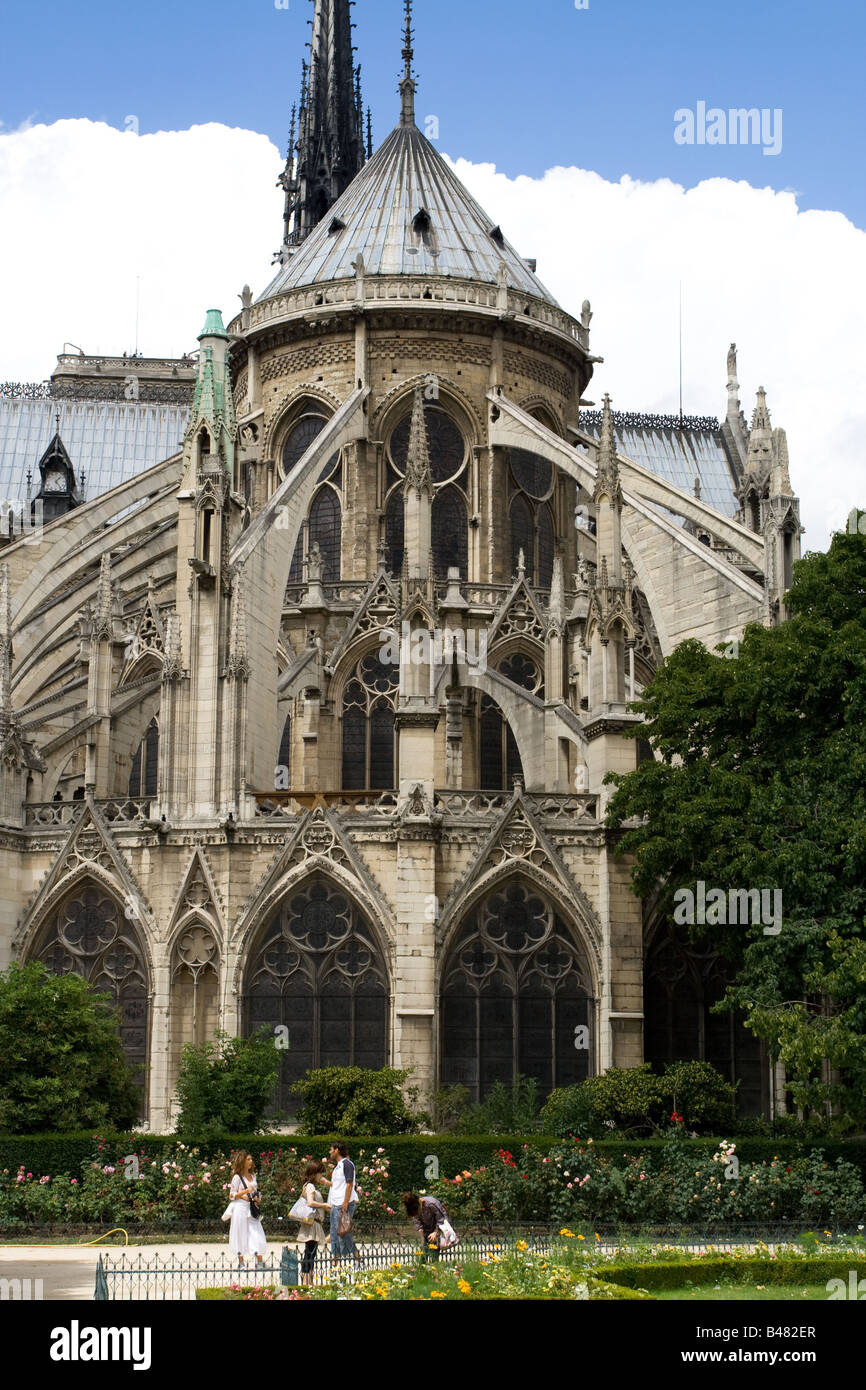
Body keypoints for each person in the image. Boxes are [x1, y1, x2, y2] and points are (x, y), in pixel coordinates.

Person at [228, 1150, 267, 1267]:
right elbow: (232, 1195)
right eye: (248, 1159)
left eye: (251, 1159)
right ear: (242, 1161)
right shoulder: (237, 1177)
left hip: (251, 1208)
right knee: (240, 1234)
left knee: (257, 1233)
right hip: (240, 1208)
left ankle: (259, 1261)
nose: (251, 1161)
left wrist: (257, 1198)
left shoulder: (253, 1175)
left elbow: (255, 1192)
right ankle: (241, 1262)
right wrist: (245, 1191)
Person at [295, 1160, 328, 1286]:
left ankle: (308, 1279)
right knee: (310, 1253)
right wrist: (324, 1205)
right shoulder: (310, 1186)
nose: (321, 1177)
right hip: (312, 1223)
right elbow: (310, 1202)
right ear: (314, 1174)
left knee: (310, 1252)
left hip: (313, 1223)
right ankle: (306, 1280)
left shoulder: (308, 1185)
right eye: (320, 1174)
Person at [327, 1141, 359, 1264]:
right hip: (336, 1204)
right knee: (335, 1233)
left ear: (337, 1150)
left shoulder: (347, 1164)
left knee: (344, 1233)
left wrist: (345, 1203)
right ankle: (335, 1261)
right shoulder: (338, 1166)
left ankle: (357, 1260)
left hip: (343, 1204)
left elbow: (349, 1184)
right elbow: (338, 1185)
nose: (330, 1152)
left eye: (331, 1150)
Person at [403, 1192, 448, 1261]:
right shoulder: (413, 1207)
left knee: (434, 1256)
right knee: (423, 1256)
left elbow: (441, 1219)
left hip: (438, 1230)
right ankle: (422, 1269)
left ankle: (434, 1268)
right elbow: (417, 1220)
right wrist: (421, 1235)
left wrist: (436, 1232)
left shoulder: (431, 1203)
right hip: (426, 1232)